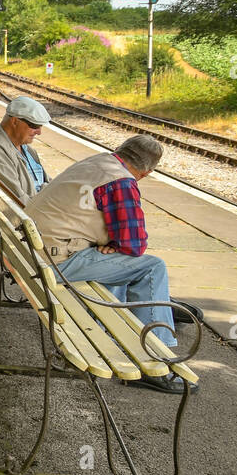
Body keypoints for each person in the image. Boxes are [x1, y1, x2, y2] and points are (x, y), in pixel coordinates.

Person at [26, 134, 199, 394]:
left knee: (118, 260)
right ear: (146, 172)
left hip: (31, 250)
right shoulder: (122, 182)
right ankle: (154, 360)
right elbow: (135, 245)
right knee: (152, 267)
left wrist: (109, 242)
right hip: (55, 261)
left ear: (120, 150)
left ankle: (139, 324)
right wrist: (113, 243)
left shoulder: (96, 162)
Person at [0, 97, 52, 206]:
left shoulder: (24, 147)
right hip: (29, 216)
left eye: (40, 126)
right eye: (34, 125)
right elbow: (18, 201)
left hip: (39, 206)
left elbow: (47, 181)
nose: (39, 132)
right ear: (15, 121)